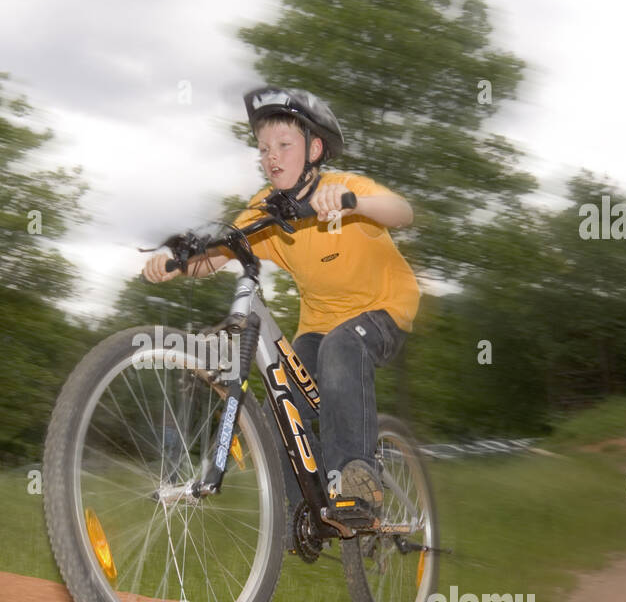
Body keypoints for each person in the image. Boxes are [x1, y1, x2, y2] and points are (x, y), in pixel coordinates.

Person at [142, 85, 419, 529]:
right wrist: (174, 265)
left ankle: (358, 478)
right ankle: (301, 511)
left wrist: (353, 203)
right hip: (320, 324)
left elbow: (401, 211)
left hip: (384, 309)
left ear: (314, 148)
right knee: (285, 396)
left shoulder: (341, 189)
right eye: (263, 149)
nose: (271, 156)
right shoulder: (266, 211)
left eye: (284, 145)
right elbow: (217, 255)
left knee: (341, 350)